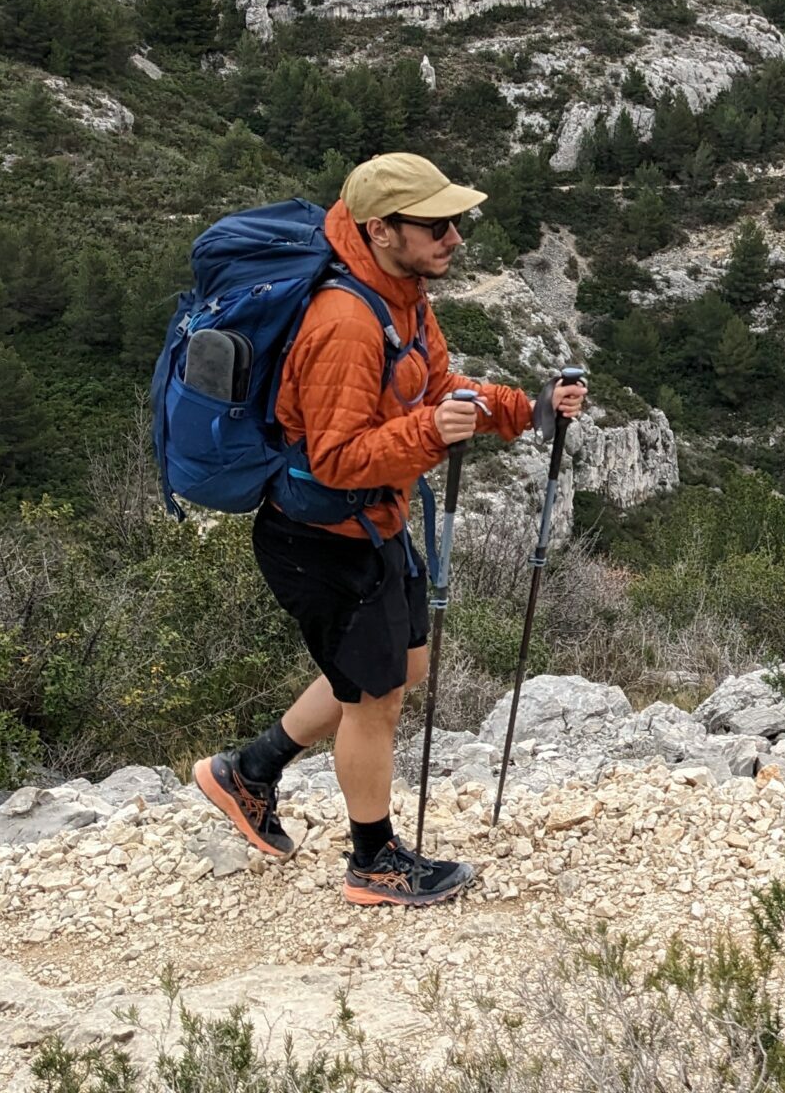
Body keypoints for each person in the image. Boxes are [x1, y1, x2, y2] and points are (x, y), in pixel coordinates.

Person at [193, 153, 585, 907]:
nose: (456, 237)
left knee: (398, 671)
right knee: (375, 699)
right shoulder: (342, 322)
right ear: (381, 229)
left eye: (458, 222)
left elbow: (440, 388)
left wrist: (524, 409)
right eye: (437, 224)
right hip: (321, 539)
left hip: (372, 525)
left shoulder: (401, 296)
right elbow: (336, 458)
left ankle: (250, 770)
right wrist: (431, 435)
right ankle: (372, 862)